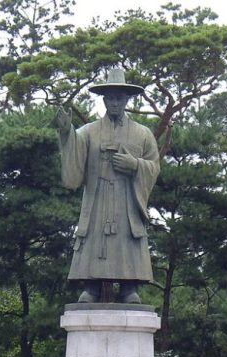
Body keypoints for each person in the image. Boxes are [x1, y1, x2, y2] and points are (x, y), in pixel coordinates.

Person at [55, 68, 160, 303]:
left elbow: (154, 167)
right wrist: (66, 132)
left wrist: (135, 165)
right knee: (94, 237)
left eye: (119, 98)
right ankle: (91, 286)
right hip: (98, 196)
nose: (114, 102)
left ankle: (129, 287)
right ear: (104, 100)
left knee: (127, 238)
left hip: (127, 198)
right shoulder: (88, 132)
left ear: (127, 100)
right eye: (110, 98)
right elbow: (74, 159)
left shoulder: (143, 134)